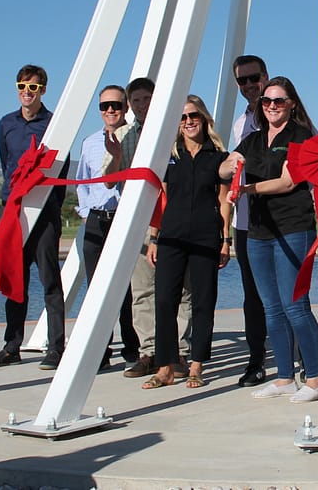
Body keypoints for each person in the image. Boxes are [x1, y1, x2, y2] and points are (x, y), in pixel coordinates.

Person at [220, 76, 318, 403]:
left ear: (291, 103)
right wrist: (230, 163)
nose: (272, 106)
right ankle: (284, 377)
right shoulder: (252, 139)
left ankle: (316, 376)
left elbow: (288, 181)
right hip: (259, 231)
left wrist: (249, 189)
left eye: (279, 101)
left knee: (296, 306)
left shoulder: (302, 137)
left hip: (293, 226)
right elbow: (224, 168)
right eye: (267, 101)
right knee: (271, 308)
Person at [141, 95, 232, 389]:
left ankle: (196, 366)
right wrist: (154, 237)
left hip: (206, 237)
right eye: (182, 118)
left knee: (203, 302)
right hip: (171, 236)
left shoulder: (218, 157)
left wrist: (226, 240)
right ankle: (166, 367)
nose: (188, 121)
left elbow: (224, 201)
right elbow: (161, 199)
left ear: (204, 119)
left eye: (193, 116)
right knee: (165, 300)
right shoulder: (170, 156)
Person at [0, 64, 69, 370]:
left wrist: (51, 206)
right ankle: (11, 346)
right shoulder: (6, 124)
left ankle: (56, 347)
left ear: (43, 90)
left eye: (32, 88)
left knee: (49, 281)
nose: (26, 93)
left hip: (44, 212)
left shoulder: (54, 123)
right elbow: (6, 163)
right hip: (14, 210)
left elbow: (62, 165)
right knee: (14, 279)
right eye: (21, 86)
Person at [106, 77, 192, 379]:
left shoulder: (176, 130)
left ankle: (179, 351)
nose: (143, 105)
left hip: (175, 215)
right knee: (142, 289)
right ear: (131, 105)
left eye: (147, 99)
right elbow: (110, 179)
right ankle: (149, 351)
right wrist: (117, 157)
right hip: (140, 219)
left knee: (180, 288)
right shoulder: (125, 136)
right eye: (137, 101)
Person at [75, 84, 139, 370]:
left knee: (128, 287)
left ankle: (132, 345)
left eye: (115, 105)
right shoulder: (89, 143)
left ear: (126, 107)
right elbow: (83, 180)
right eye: (104, 106)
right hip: (97, 220)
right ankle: (100, 347)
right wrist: (86, 211)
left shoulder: (135, 138)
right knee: (95, 288)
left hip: (124, 218)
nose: (110, 110)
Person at [227, 55, 270, 387]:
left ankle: (300, 359)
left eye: (253, 78)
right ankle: (256, 360)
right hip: (246, 222)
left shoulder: (283, 114)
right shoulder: (240, 124)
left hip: (283, 219)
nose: (248, 86)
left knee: (286, 296)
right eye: (242, 81)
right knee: (252, 296)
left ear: (265, 76)